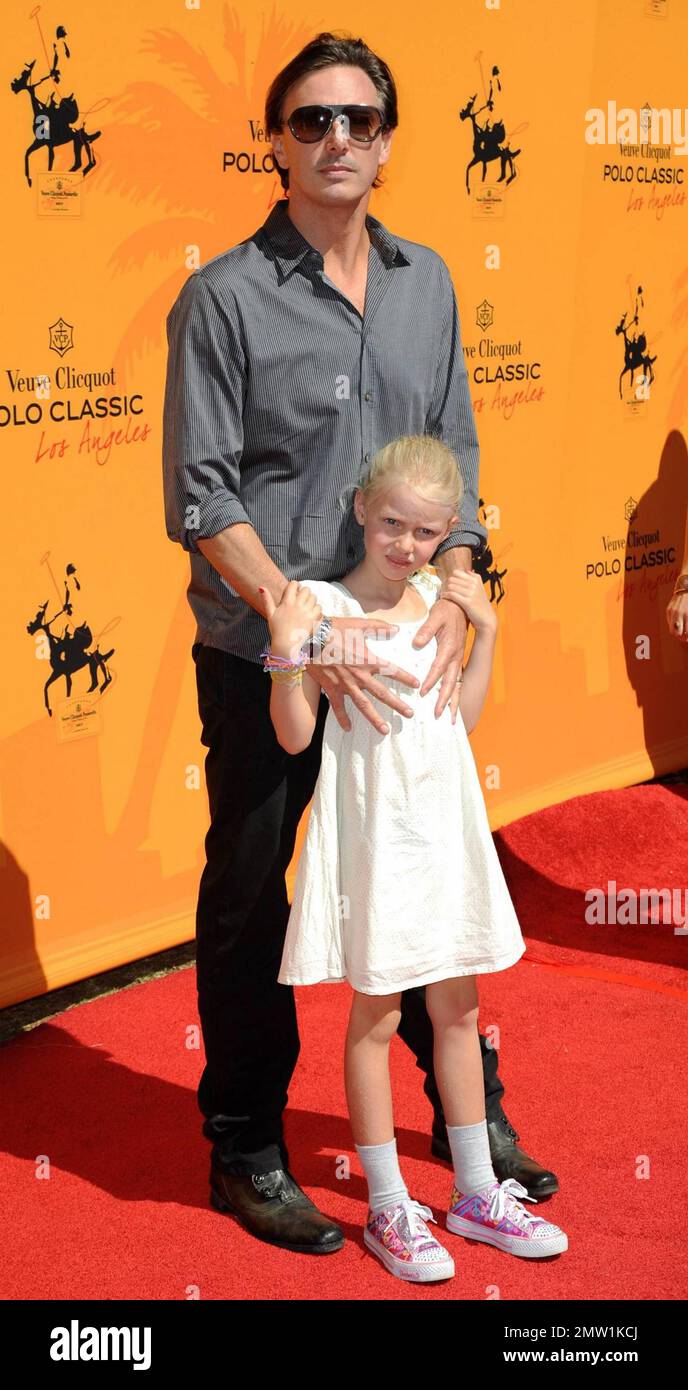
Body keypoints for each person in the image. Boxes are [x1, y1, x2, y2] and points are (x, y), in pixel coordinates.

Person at [162, 30, 557, 1258]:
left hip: (404, 653)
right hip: (269, 652)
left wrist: (452, 579)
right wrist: (304, 621)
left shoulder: (430, 280)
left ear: (388, 140)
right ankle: (246, 1141)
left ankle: (469, 1126)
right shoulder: (224, 294)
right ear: (274, 140)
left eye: (361, 120)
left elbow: (457, 453)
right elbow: (202, 493)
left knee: (435, 875)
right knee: (250, 890)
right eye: (312, 120)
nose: (338, 140)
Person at [260, 435, 568, 1282]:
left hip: (446, 829)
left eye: (426, 532)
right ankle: (389, 1207)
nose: (405, 544)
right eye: (392, 521)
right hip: (373, 840)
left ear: (447, 536)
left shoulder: (440, 598)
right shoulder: (318, 602)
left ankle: (474, 1190)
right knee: (378, 1015)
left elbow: (457, 719)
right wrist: (289, 653)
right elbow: (293, 736)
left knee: (461, 1008)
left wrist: (489, 637)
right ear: (361, 507)